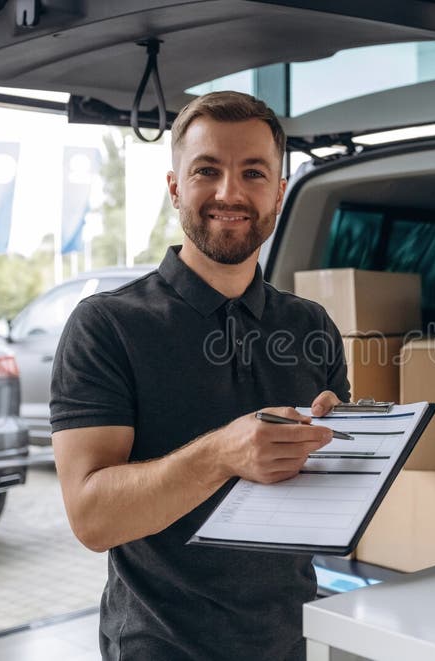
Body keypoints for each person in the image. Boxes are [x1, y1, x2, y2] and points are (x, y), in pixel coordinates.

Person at [50, 91, 351, 660]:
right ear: (174, 187)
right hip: (159, 647)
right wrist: (221, 455)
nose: (230, 193)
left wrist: (350, 450)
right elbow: (91, 518)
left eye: (253, 172)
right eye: (207, 170)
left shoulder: (312, 324)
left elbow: (324, 507)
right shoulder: (107, 325)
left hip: (290, 642)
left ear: (280, 191)